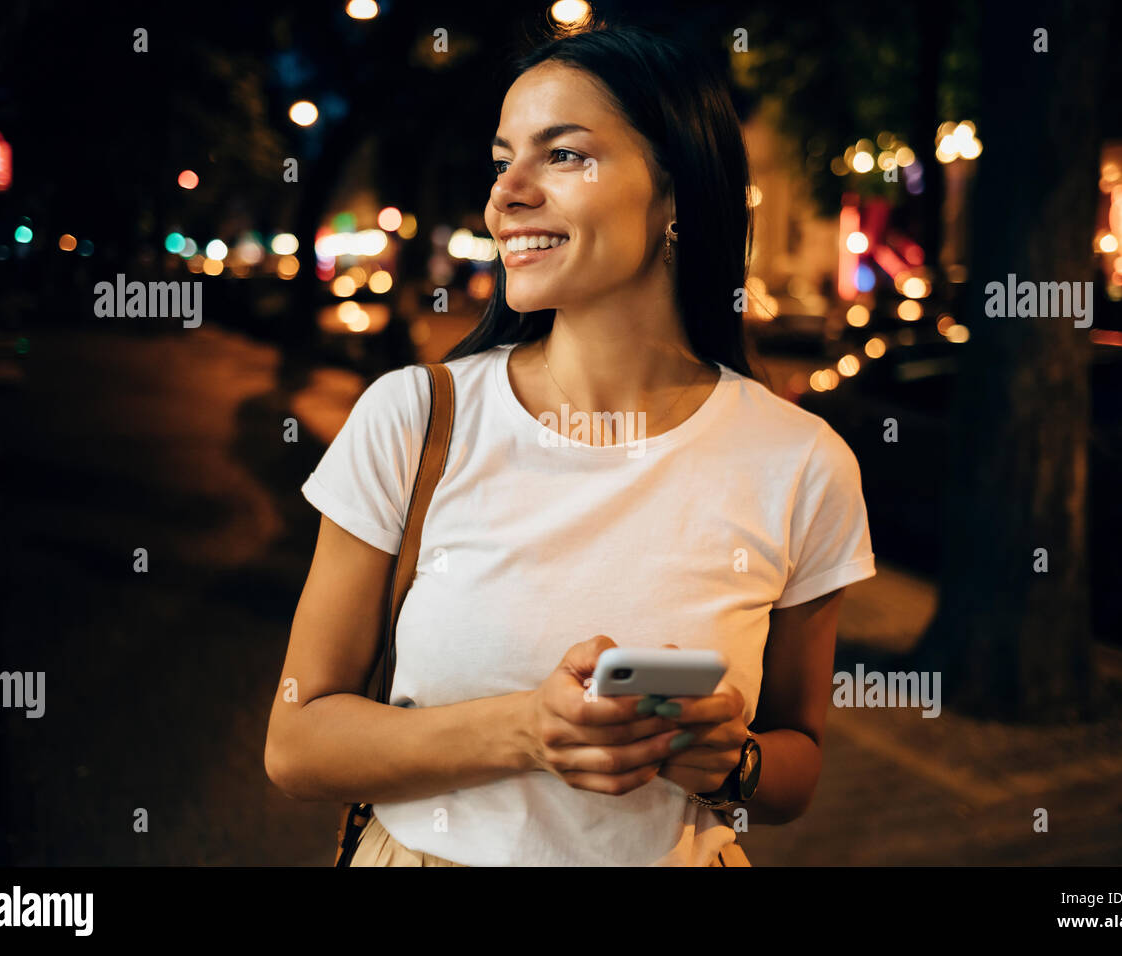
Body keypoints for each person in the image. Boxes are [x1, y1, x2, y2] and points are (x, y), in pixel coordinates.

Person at [264, 24, 876, 867]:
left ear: (676, 197)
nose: (505, 193)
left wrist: (732, 762)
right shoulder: (413, 420)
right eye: (502, 157)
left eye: (563, 156)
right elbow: (297, 743)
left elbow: (794, 767)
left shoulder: (802, 463)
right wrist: (525, 729)